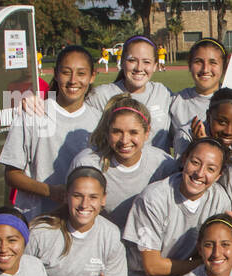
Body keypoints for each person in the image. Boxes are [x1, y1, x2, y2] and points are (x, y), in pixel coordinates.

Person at [0, 46, 97, 221]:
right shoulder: (32, 112)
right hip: (36, 220)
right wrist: (50, 191)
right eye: (66, 72)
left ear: (92, 77)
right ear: (56, 74)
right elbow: (12, 175)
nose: (73, 80)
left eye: (81, 73)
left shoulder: (98, 120)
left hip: (81, 223)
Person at [27, 167, 126, 276]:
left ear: (103, 199)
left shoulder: (110, 233)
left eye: (93, 197)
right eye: (77, 196)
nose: (84, 204)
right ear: (66, 196)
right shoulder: (40, 233)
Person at [123, 138, 230, 276]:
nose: (200, 173)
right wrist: (207, 264)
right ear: (184, 159)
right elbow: (152, 266)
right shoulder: (153, 198)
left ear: (218, 175)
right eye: (195, 162)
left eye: (210, 169)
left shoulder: (220, 200)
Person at [69, 96, 179, 233]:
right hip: (102, 245)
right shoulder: (87, 163)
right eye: (117, 132)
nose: (125, 140)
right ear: (107, 131)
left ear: (147, 132)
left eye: (133, 132)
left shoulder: (164, 164)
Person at [87, 36, 174, 152]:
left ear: (155, 66)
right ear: (122, 62)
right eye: (132, 60)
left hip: (159, 170)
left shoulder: (163, 93)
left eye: (146, 62)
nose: (139, 68)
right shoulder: (101, 95)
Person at [169, 39, 232, 157]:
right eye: (198, 62)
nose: (205, 69)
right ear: (189, 65)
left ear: (224, 67)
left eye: (213, 62)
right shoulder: (176, 101)